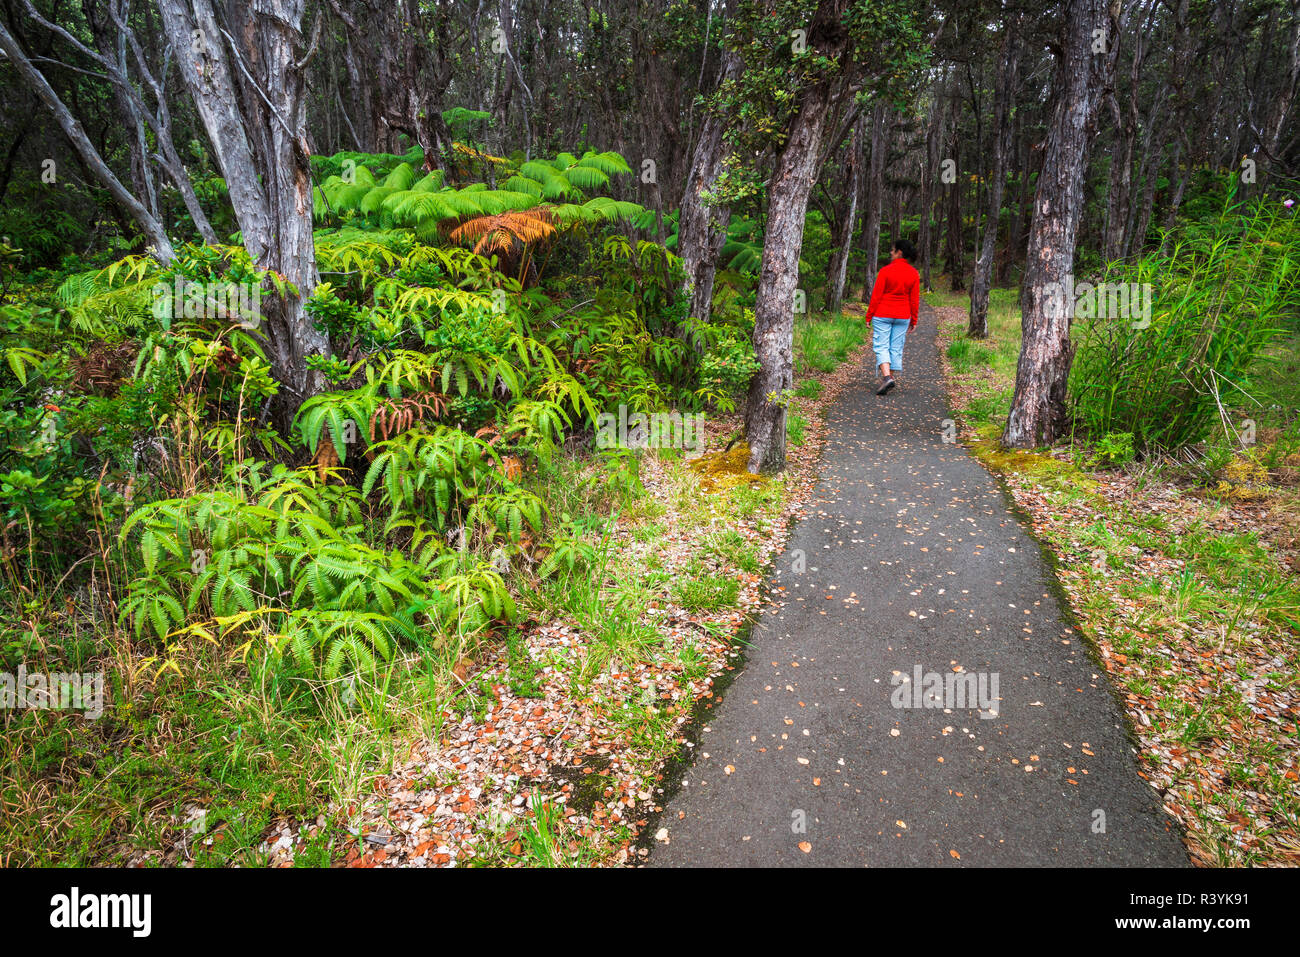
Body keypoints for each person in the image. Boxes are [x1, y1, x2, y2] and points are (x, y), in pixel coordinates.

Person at [865, 238, 920, 396]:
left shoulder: (885, 271)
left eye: (893, 250)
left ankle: (887, 377)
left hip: (883, 313)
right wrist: (914, 319)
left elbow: (876, 295)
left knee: (881, 345)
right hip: (903, 315)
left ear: (899, 253)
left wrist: (869, 315)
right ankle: (888, 379)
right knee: (896, 348)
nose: (891, 252)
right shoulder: (913, 273)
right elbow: (914, 299)